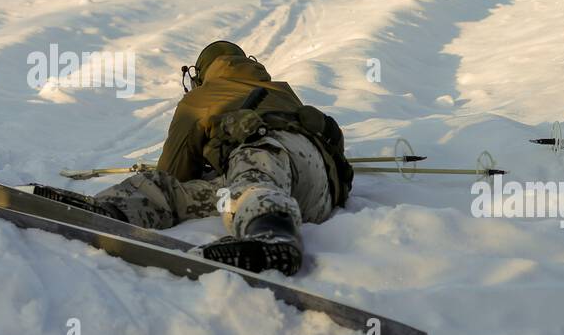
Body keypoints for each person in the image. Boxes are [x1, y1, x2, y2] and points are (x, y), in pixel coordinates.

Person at [37, 41, 352, 276]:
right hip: (314, 191)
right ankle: (110, 212)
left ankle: (275, 238)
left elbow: (175, 169)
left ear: (202, 75)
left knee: (248, 164)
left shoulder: (204, 96)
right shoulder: (280, 89)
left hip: (270, 161)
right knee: (215, 191)